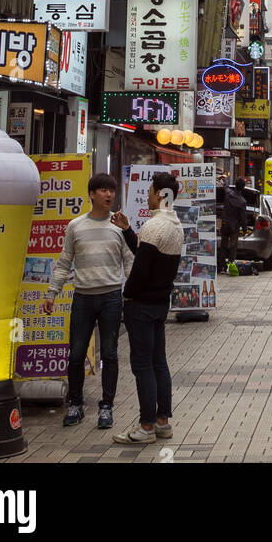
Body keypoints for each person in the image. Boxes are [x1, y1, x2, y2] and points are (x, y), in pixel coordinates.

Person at [43, 172, 134, 429]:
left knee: (110, 354)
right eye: (103, 190)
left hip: (111, 298)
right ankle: (76, 404)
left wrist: (135, 293)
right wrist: (52, 293)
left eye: (111, 190)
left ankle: (107, 407)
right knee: (75, 355)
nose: (109, 195)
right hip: (82, 298)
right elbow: (64, 263)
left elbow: (129, 262)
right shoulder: (76, 226)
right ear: (92, 194)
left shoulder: (119, 227)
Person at [113, 172, 184, 445]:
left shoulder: (155, 227)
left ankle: (145, 426)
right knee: (158, 362)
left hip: (141, 305)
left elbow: (141, 269)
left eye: (151, 190)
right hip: (160, 302)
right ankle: (163, 421)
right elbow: (145, 254)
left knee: (142, 365)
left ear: (161, 195)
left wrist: (127, 296)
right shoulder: (173, 225)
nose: (148, 194)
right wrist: (129, 230)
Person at [219, 176, 248, 269]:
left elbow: (225, 186)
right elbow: (243, 218)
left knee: (223, 246)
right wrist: (245, 230)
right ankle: (230, 266)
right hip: (234, 227)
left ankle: (221, 266)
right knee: (233, 247)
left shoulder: (228, 194)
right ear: (243, 188)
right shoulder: (242, 201)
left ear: (235, 186)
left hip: (224, 224)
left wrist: (226, 178)